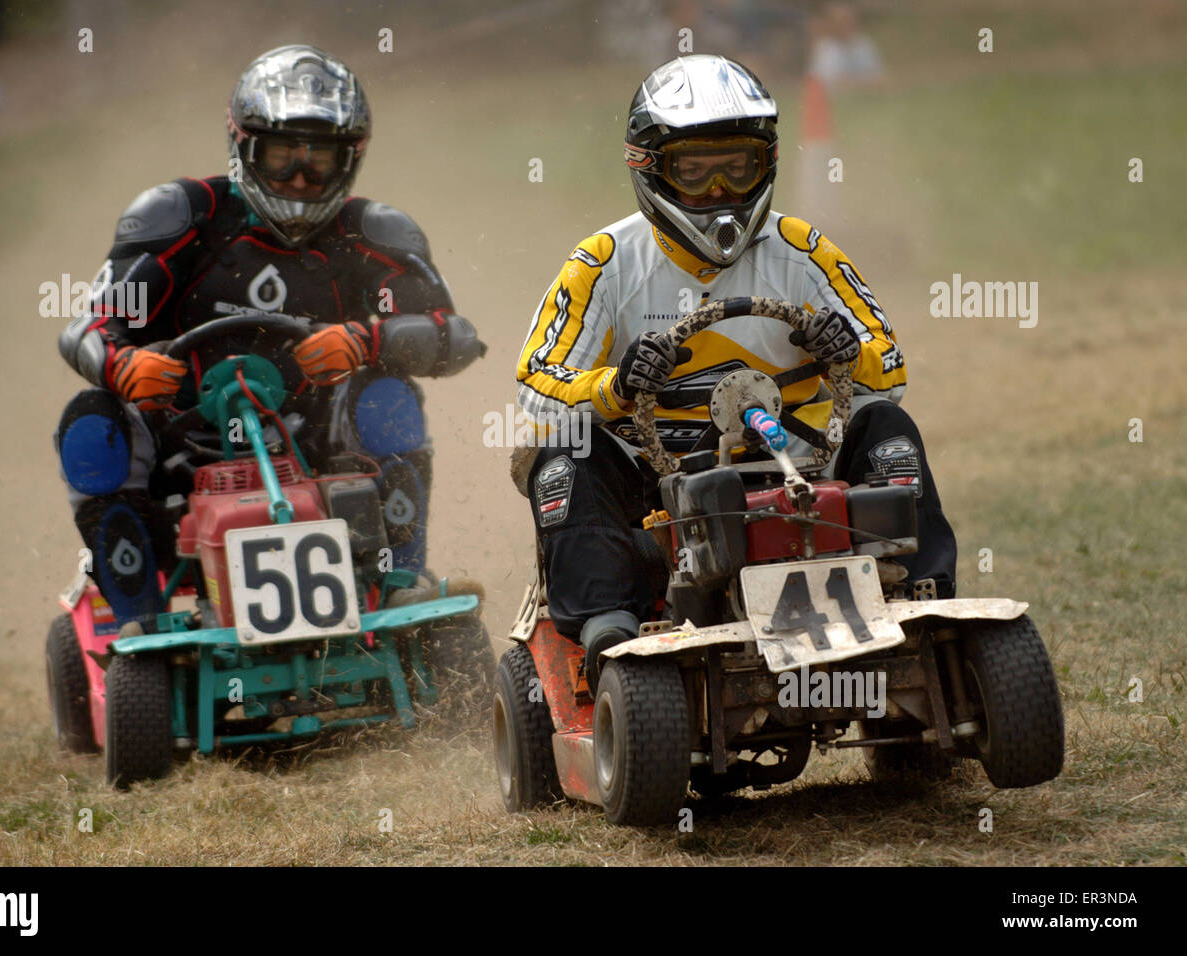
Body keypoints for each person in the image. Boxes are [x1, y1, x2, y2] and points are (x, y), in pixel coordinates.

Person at [515, 54, 955, 688]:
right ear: (652, 170)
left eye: (735, 168)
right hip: (657, 497)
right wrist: (615, 386)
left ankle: (924, 598)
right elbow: (536, 387)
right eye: (695, 172)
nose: (719, 194)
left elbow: (888, 369)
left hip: (803, 475)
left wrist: (843, 354)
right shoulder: (605, 263)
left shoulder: (803, 251)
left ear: (765, 165)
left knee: (886, 425)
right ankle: (610, 629)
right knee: (562, 451)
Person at [55, 44, 485, 633]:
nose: (302, 178)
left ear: (350, 160)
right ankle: (139, 623)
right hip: (181, 445)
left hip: (321, 449)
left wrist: (367, 340)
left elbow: (454, 336)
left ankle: (398, 582)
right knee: (90, 424)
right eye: (283, 155)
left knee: (388, 396)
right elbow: (89, 325)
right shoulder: (181, 217)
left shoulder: (373, 232)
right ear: (244, 147)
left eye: (320, 160)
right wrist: (122, 364)